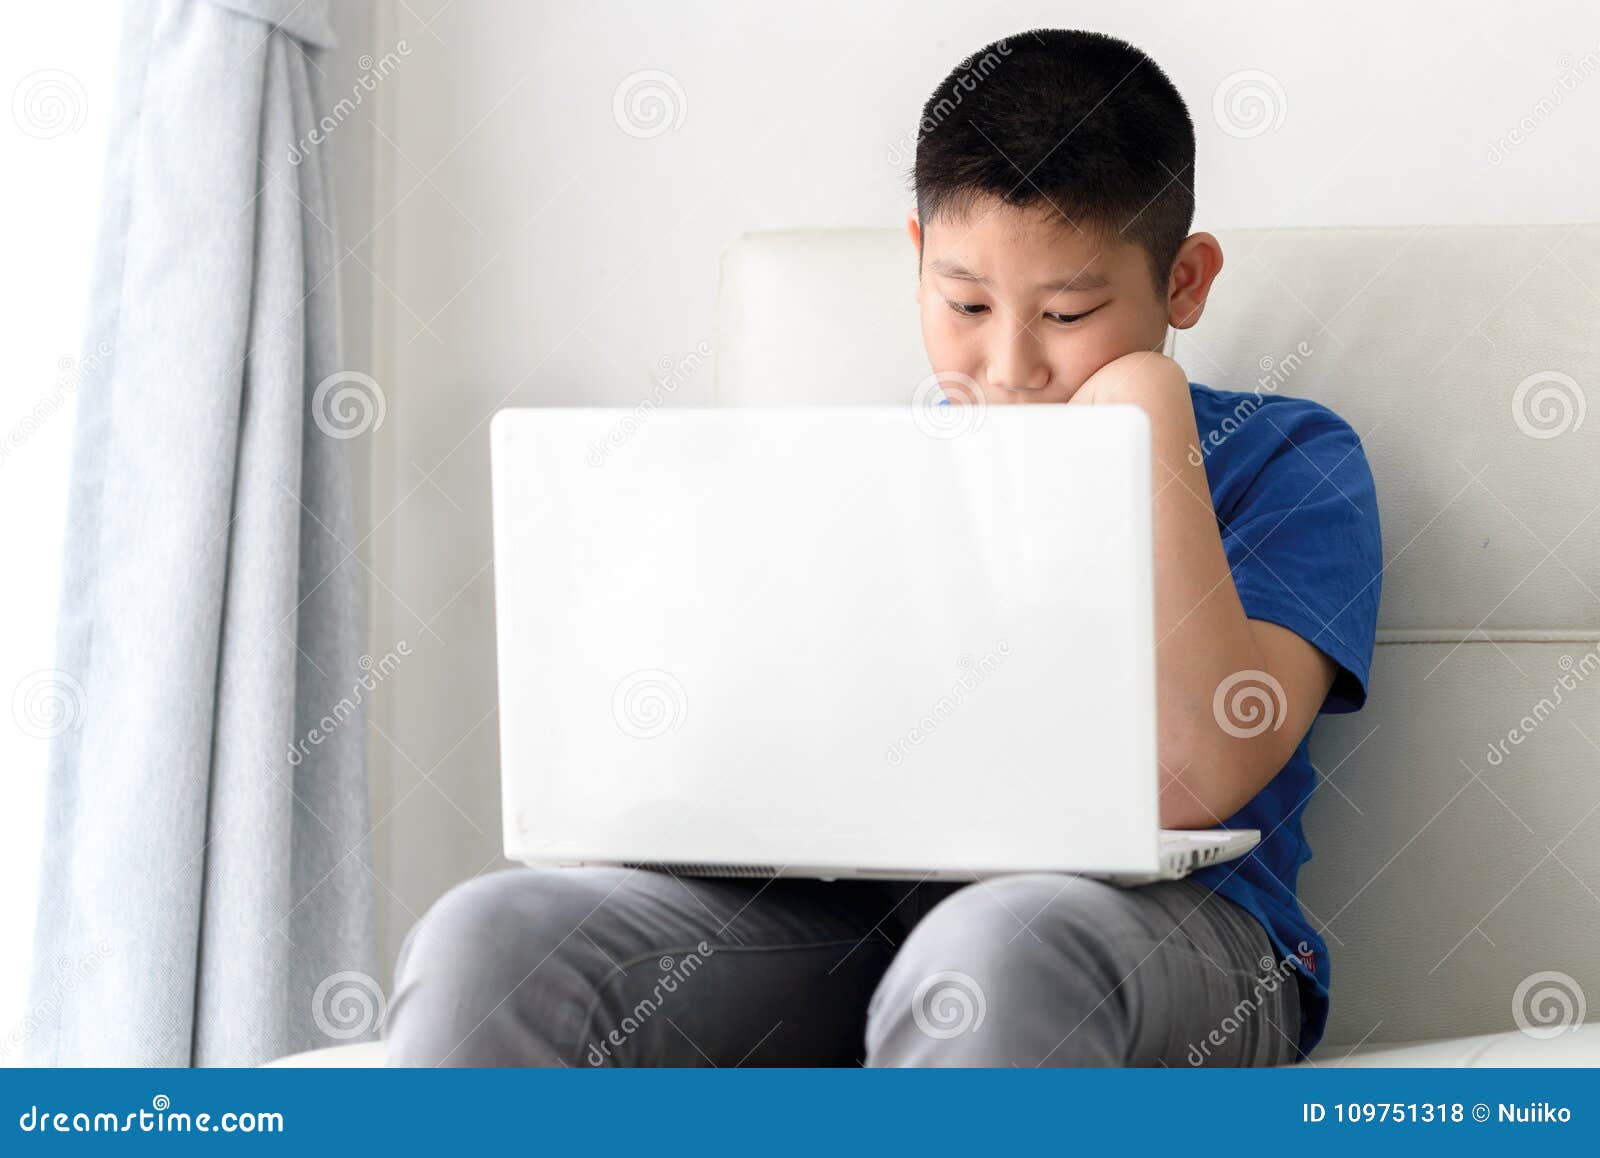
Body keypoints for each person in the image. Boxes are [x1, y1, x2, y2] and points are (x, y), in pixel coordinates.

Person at [384, 27, 1382, 1068]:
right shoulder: (855, 479)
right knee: (486, 937)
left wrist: (1146, 418)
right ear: (915, 264)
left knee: (992, 951)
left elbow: (1192, 776)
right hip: (854, 925)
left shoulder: (1287, 460)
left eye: (1069, 312)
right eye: (965, 305)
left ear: (1183, 282)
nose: (1009, 364)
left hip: (1166, 937)